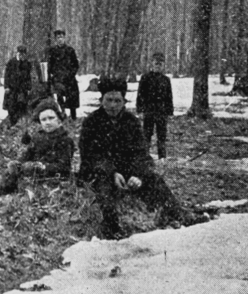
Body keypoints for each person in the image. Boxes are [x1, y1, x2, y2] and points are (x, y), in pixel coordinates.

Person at [78, 76, 189, 239]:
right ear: (101, 100)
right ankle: (112, 230)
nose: (113, 105)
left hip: (128, 172)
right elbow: (89, 155)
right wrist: (112, 173)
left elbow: (141, 154)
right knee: (104, 189)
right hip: (99, 172)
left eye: (117, 100)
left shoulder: (132, 122)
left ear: (124, 101)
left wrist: (139, 175)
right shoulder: (91, 122)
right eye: (109, 100)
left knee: (155, 181)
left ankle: (180, 216)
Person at [0, 99, 75, 196]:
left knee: (44, 189)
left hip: (55, 176)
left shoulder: (65, 140)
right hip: (35, 173)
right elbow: (28, 154)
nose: (47, 122)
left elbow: (64, 166)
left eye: (51, 118)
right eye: (43, 120)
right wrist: (19, 162)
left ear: (58, 119)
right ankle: (5, 190)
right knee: (12, 171)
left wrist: (42, 166)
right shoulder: (38, 137)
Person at [136, 52, 174, 159]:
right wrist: (140, 110)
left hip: (161, 112)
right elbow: (140, 95)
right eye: (156, 63)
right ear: (152, 64)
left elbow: (169, 97)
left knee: (161, 135)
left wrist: (169, 111)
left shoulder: (166, 80)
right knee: (147, 134)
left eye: (160, 63)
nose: (158, 66)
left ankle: (162, 157)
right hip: (149, 111)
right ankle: (145, 156)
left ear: (163, 65)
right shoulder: (145, 78)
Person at [47, 29, 80, 120]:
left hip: (69, 78)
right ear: (55, 39)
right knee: (59, 95)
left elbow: (76, 65)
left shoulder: (70, 50)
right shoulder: (52, 51)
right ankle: (63, 113)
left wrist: (71, 74)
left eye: (61, 37)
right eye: (58, 38)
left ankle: (73, 116)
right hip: (58, 78)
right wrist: (52, 74)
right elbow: (50, 65)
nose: (60, 39)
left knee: (72, 97)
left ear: (64, 38)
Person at [3, 45, 33, 127]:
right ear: (18, 53)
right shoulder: (11, 62)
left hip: (22, 89)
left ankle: (18, 124)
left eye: (24, 54)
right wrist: (6, 86)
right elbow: (7, 75)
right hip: (12, 89)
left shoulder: (27, 63)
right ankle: (12, 123)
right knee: (11, 107)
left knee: (21, 106)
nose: (22, 56)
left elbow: (28, 77)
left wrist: (29, 87)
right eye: (21, 54)